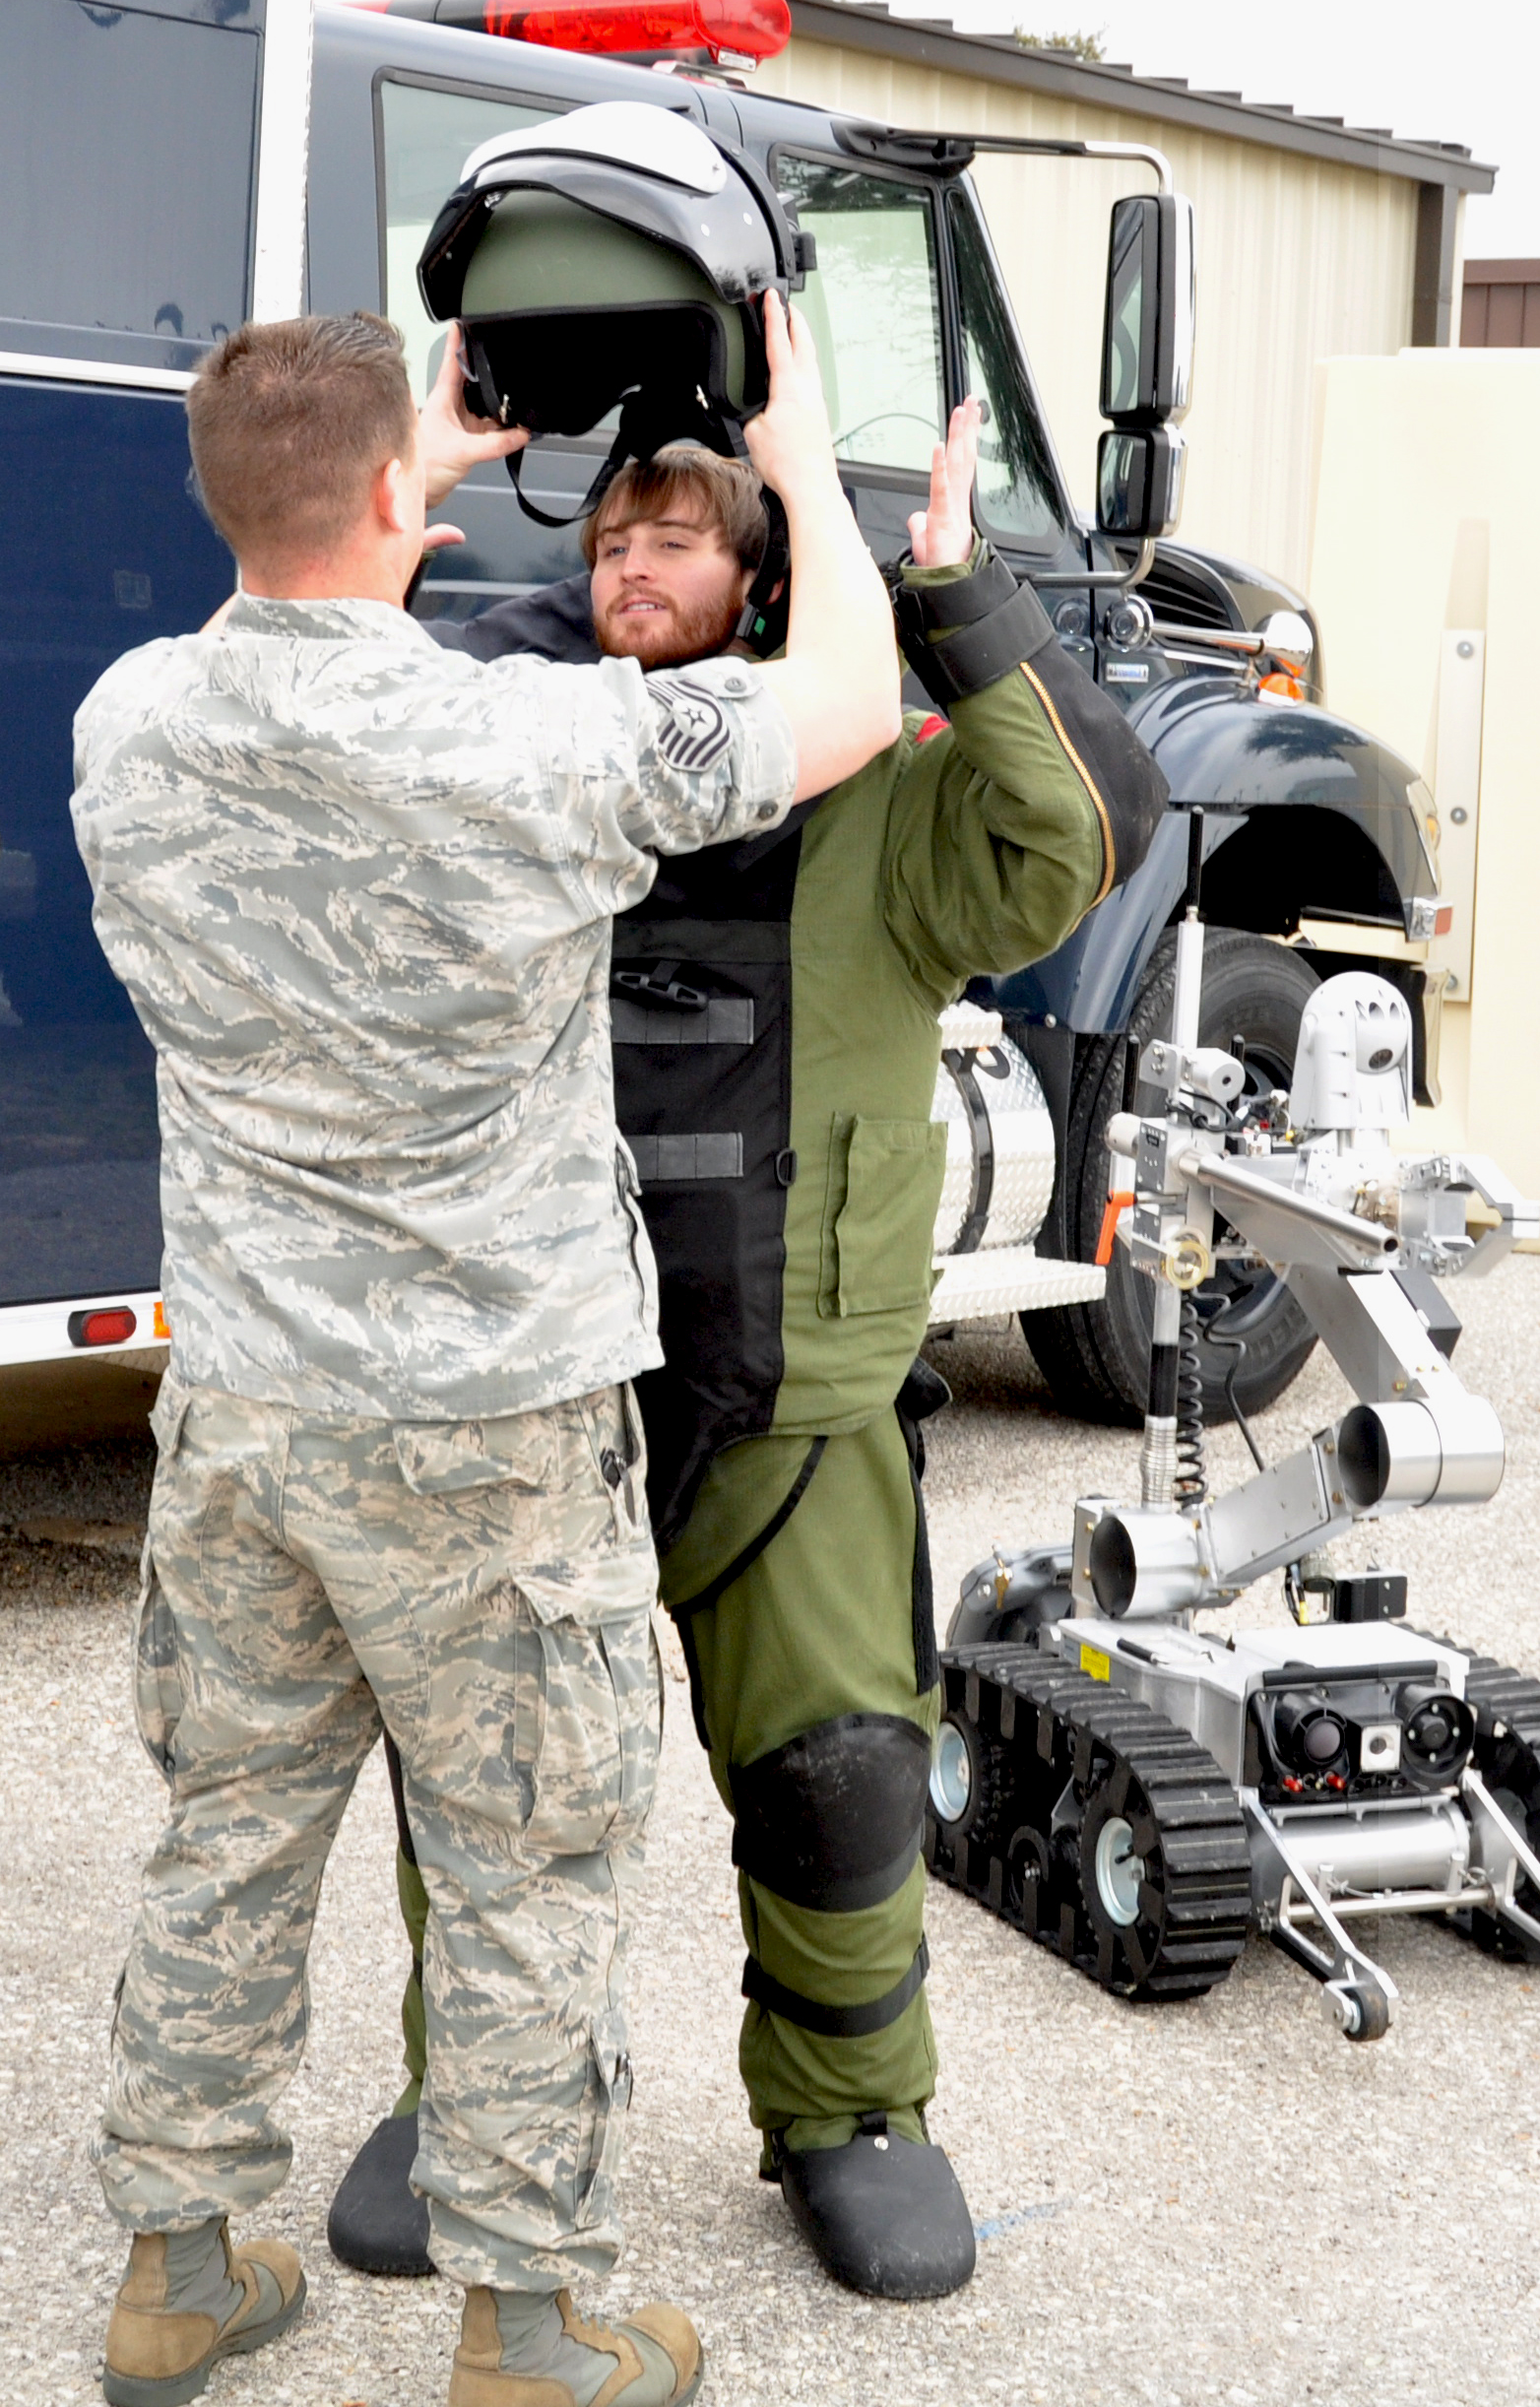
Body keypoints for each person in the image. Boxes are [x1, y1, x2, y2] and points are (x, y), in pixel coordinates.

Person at [73, 296, 901, 2407]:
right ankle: (528, 2331)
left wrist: (380, 476)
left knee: (227, 1834)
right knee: (529, 1867)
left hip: (248, 1411)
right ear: (388, 488)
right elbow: (847, 700)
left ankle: (174, 2270)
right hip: (492, 1425)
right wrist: (799, 454)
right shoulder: (523, 741)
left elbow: (271, 597)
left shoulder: (124, 724)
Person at [331, 360, 1167, 2303]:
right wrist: (389, 509)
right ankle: (477, 2093)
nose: (632, 562)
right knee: (492, 1778)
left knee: (836, 1775)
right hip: (528, 1387)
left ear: (765, 566)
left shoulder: (876, 782)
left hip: (789, 1397)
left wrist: (952, 593)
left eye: (680, 533)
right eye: (607, 534)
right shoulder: (504, 752)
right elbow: (293, 736)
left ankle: (853, 2110)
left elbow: (1086, 830)